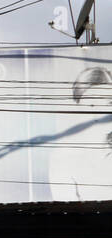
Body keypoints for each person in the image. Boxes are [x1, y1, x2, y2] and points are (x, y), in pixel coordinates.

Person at [48, 67, 112, 201]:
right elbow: (67, 214)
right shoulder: (62, 158)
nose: (104, 112)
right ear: (78, 108)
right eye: (92, 105)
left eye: (109, 103)